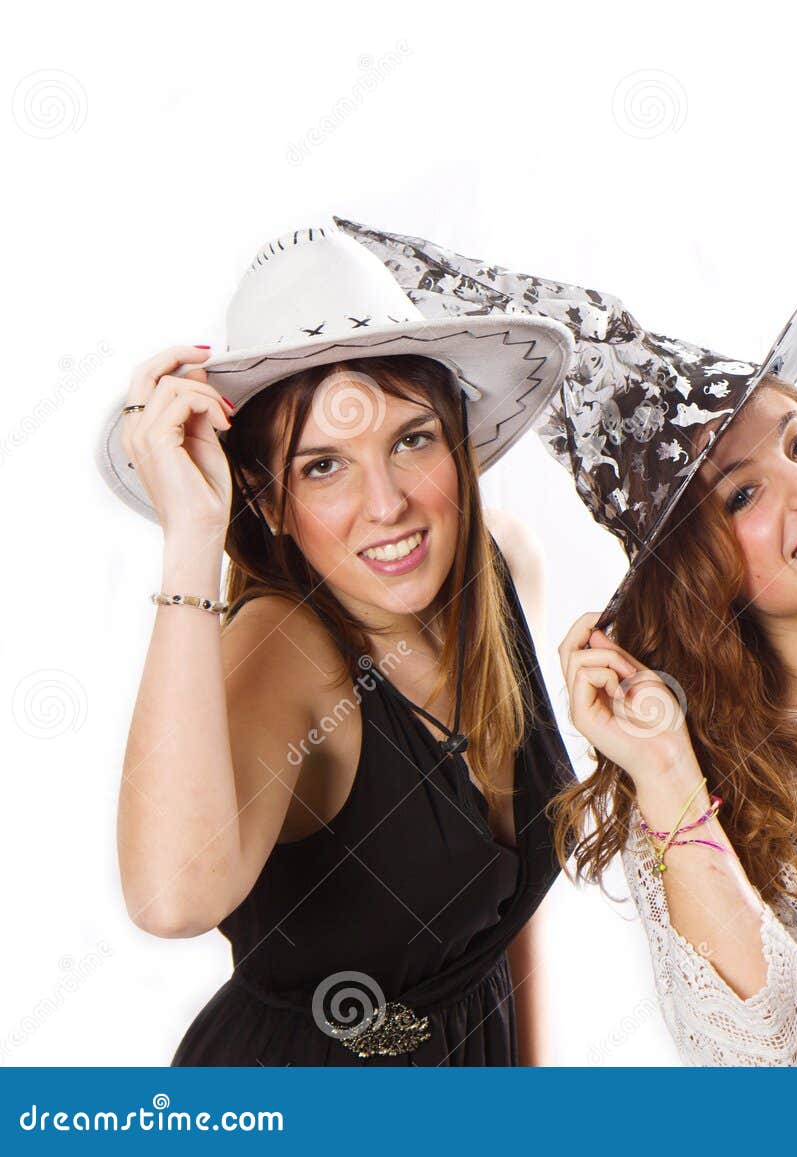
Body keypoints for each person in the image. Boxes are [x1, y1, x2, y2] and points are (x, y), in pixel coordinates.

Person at [346, 220, 797, 1063]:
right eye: (741, 495)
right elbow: (773, 1059)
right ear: (697, 571)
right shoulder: (699, 783)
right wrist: (666, 767)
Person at [102, 222, 579, 1064]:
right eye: (323, 465)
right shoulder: (280, 650)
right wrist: (192, 540)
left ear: (458, 443)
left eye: (411, 439)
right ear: (271, 503)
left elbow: (504, 921)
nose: (386, 504)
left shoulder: (505, 571)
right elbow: (170, 900)